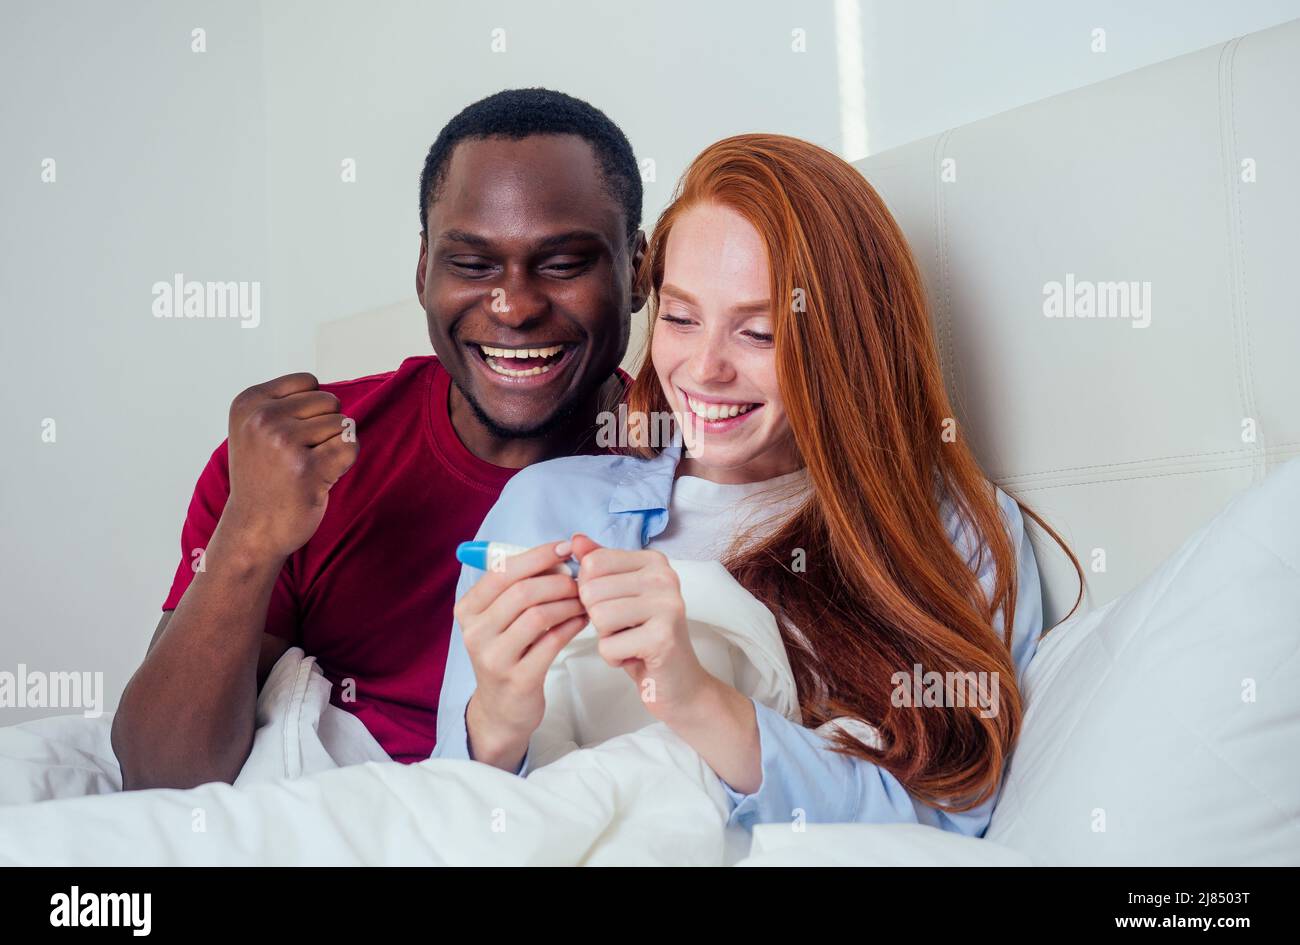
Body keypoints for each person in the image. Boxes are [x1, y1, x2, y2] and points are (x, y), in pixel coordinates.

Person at [437, 133, 1084, 832]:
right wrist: (498, 717)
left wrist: (696, 699)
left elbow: (949, 821)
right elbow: (446, 820)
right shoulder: (548, 504)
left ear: (848, 344)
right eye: (681, 318)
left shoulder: (949, 531)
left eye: (760, 334)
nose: (703, 368)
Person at [110, 89, 648, 790]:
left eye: (562, 263)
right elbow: (161, 776)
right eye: (474, 265)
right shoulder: (295, 460)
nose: (513, 306)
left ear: (637, 270)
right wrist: (247, 538)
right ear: (424, 270)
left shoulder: (690, 471)